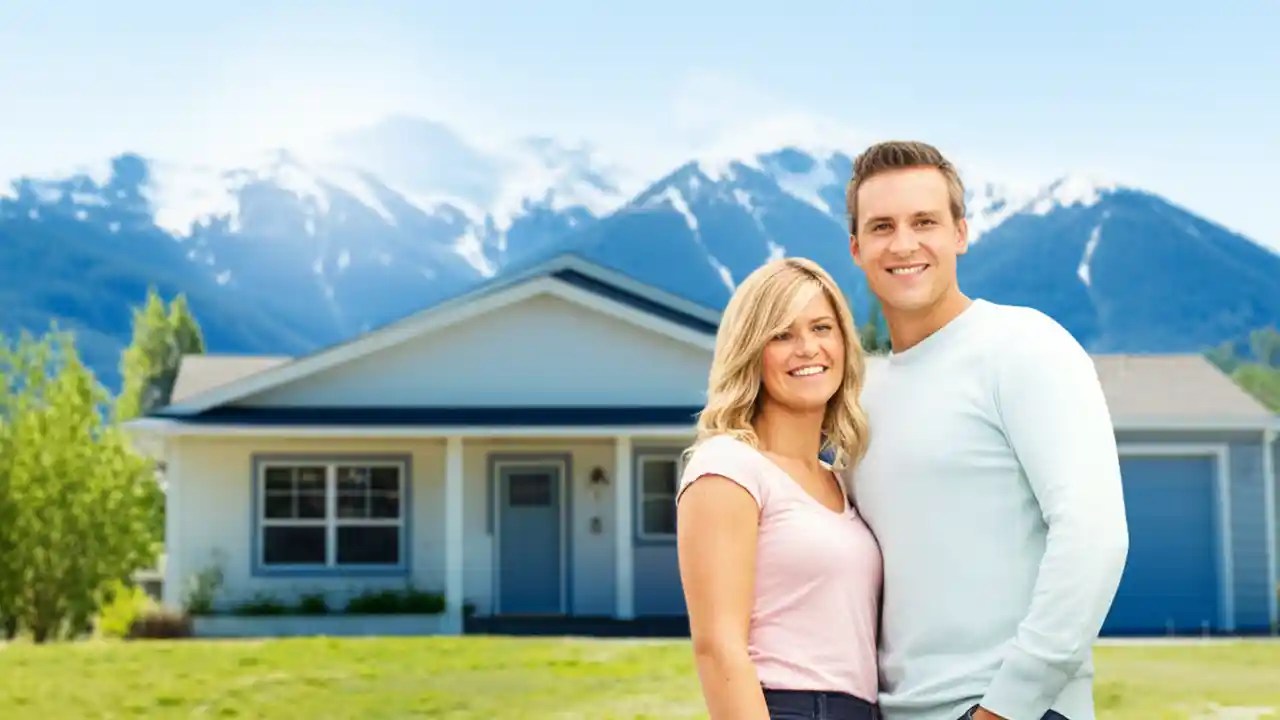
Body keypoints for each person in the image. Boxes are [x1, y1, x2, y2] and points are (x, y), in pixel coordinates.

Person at [842, 140, 1130, 720]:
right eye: (881, 226)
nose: (903, 244)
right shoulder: (861, 395)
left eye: (925, 221)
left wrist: (1006, 707)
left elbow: (1094, 536)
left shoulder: (1023, 347)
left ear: (960, 234)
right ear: (856, 248)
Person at [676, 257, 883, 720]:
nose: (807, 348)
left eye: (822, 328)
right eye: (781, 334)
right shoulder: (727, 467)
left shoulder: (839, 480)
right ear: (751, 351)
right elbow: (718, 649)